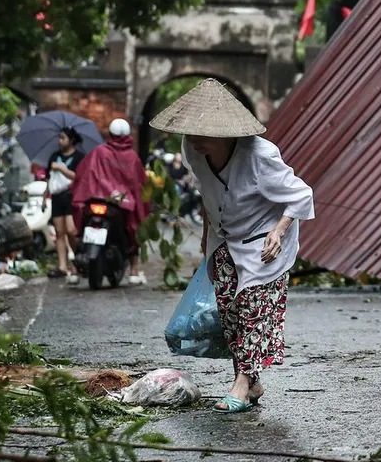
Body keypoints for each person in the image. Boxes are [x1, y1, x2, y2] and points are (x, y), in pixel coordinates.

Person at [149, 78, 314, 414]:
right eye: (190, 133)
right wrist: (207, 247)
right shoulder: (192, 151)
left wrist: (279, 232)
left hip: (265, 243)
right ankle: (253, 383)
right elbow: (208, 197)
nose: (193, 141)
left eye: (202, 135)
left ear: (225, 134)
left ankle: (240, 383)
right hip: (226, 240)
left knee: (254, 313)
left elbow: (301, 195)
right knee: (230, 315)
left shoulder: (259, 156)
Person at [71, 118, 149, 285]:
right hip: (121, 203)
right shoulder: (132, 157)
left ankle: (74, 269)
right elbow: (139, 184)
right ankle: (134, 269)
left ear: (110, 134)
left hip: (96, 199)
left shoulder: (99, 151)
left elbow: (83, 175)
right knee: (134, 228)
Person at [44, 127, 85, 283]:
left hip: (71, 196)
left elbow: (79, 177)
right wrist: (44, 196)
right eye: (59, 138)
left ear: (71, 140)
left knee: (71, 230)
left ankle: (76, 262)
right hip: (57, 197)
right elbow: (49, 179)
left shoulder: (79, 157)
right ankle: (62, 266)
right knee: (59, 232)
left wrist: (62, 168)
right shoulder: (54, 156)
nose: (60, 141)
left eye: (63, 138)